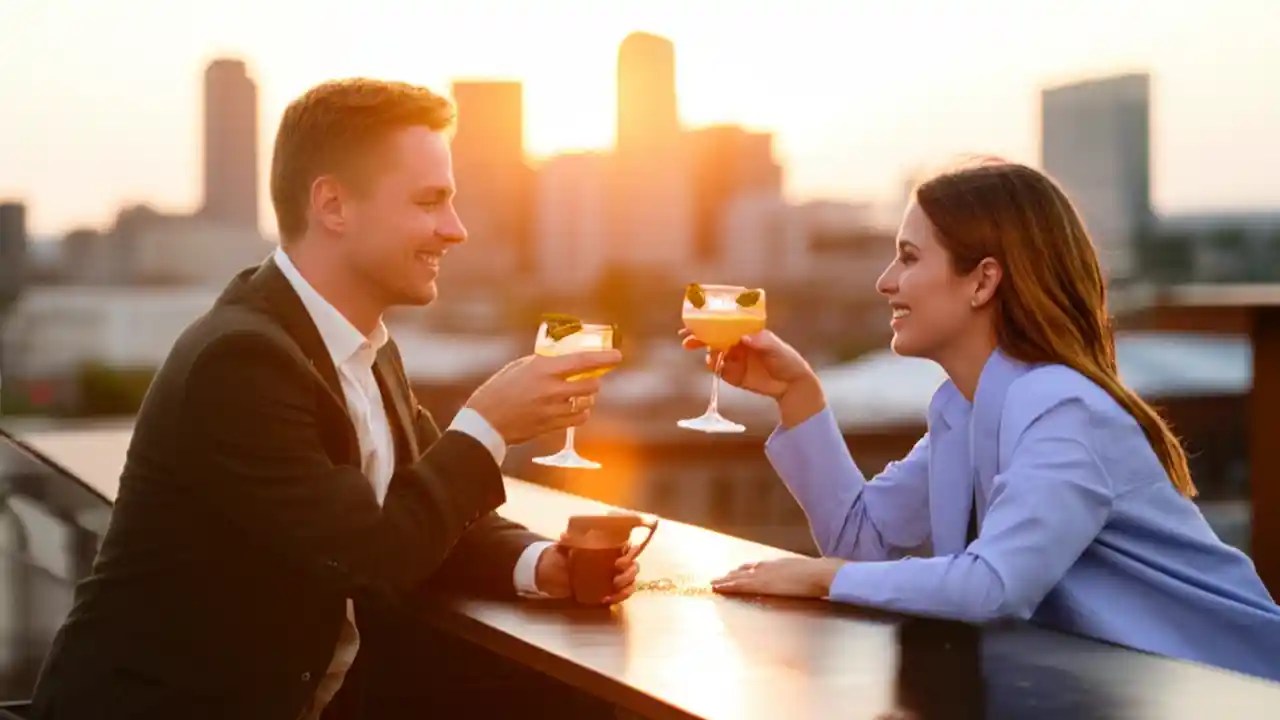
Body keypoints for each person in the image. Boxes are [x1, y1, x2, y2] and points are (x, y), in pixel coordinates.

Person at [31, 78, 635, 719]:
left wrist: (544, 565)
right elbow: (371, 555)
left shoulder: (365, 349)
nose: (455, 231)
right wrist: (485, 426)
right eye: (430, 202)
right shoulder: (240, 363)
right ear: (334, 206)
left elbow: (430, 508)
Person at [695, 160, 1280, 681]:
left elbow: (994, 587)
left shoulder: (1062, 408)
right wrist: (798, 395)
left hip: (1236, 692)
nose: (885, 282)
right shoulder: (964, 409)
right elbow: (862, 541)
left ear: (983, 280)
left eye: (909, 257)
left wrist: (821, 578)